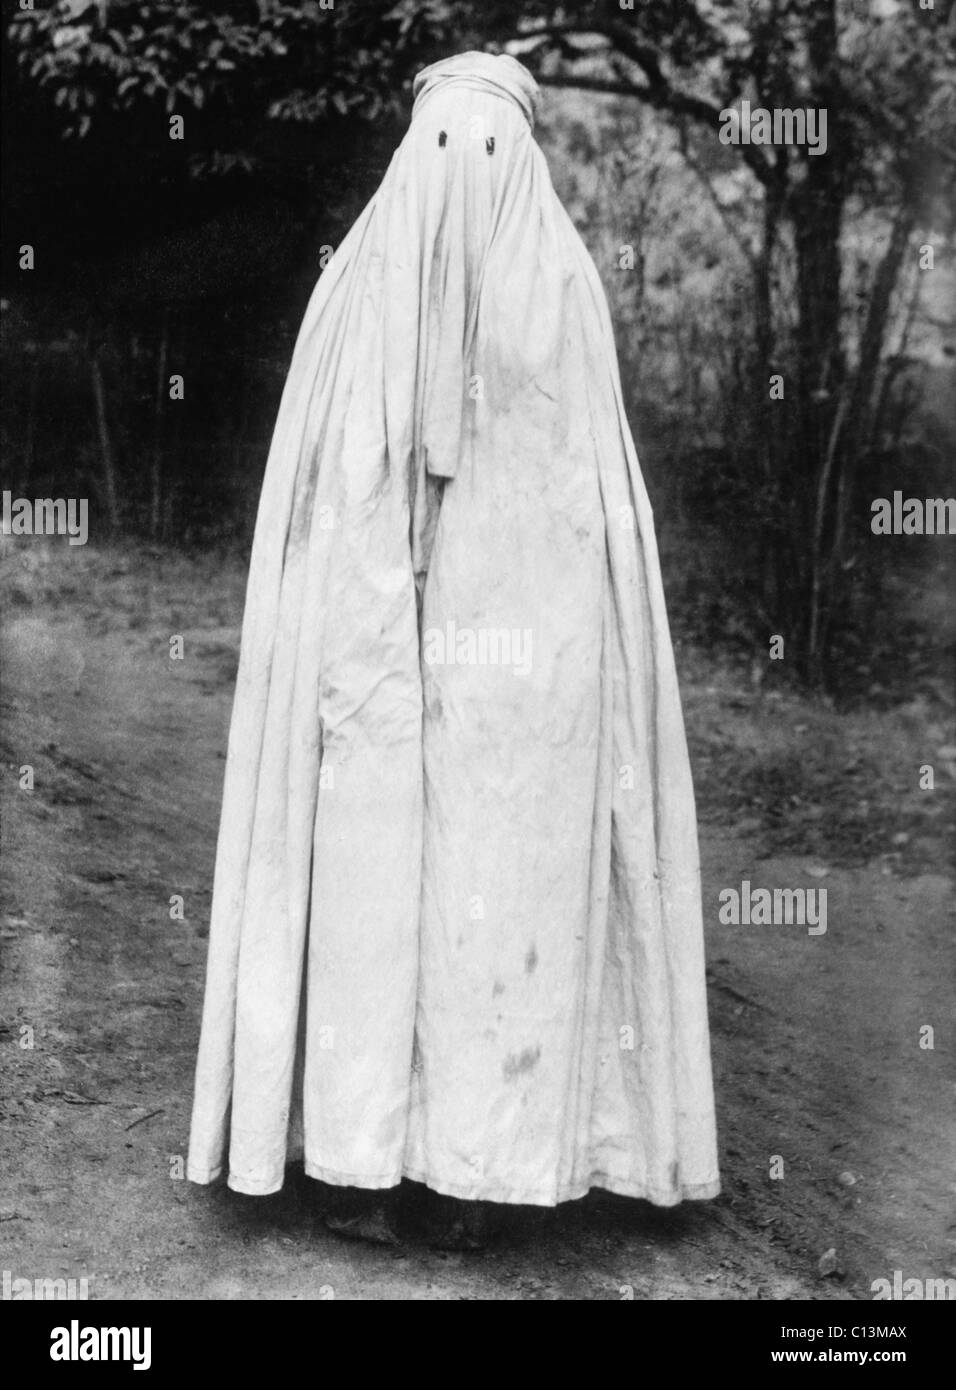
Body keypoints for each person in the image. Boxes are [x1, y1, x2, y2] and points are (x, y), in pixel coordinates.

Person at [187, 50, 719, 1249]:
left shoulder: (559, 294)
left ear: (518, 160)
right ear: (407, 154)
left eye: (484, 153)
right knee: (369, 884)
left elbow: (588, 522)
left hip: (518, 674)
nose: (459, 179)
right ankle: (357, 1154)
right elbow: (318, 503)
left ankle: (486, 1170)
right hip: (369, 659)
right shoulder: (360, 295)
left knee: (499, 895)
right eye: (443, 152)